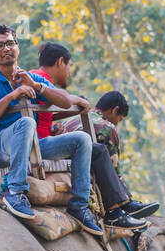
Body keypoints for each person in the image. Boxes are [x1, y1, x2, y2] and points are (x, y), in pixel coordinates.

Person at [0, 24, 103, 235]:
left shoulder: (30, 77)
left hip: (32, 146)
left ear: (18, 48)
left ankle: (79, 205)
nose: (6, 48)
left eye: (10, 43)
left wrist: (36, 85)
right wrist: (12, 96)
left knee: (81, 139)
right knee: (26, 123)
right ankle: (16, 191)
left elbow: (65, 101)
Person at [54, 90, 159, 227]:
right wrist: (125, 196)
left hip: (59, 154)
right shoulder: (106, 127)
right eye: (119, 119)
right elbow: (114, 169)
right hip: (78, 160)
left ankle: (126, 203)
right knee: (103, 154)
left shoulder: (71, 119)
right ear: (114, 110)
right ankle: (122, 206)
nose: (117, 124)